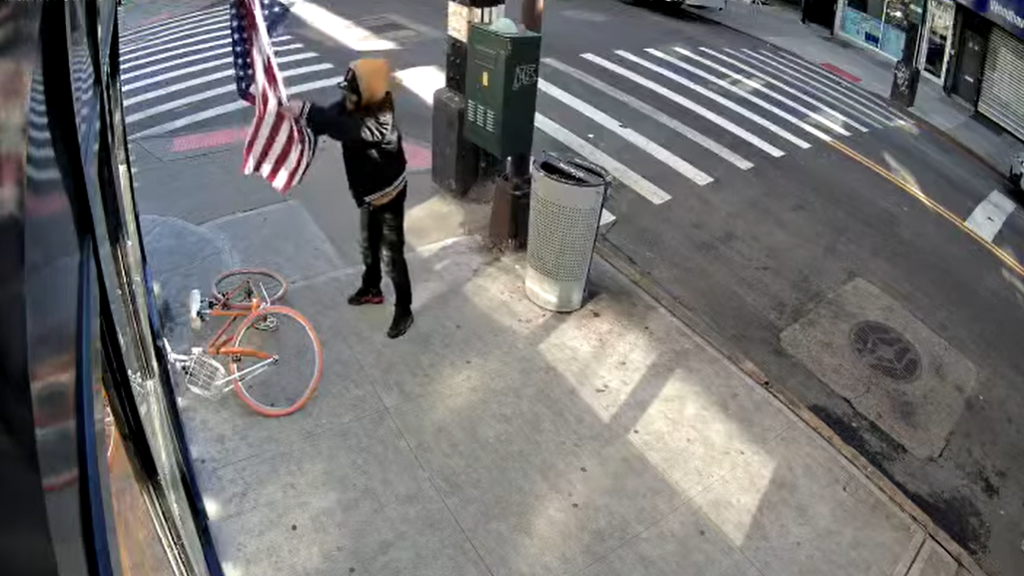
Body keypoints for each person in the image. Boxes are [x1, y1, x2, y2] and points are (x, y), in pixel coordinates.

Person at [285, 59, 413, 339]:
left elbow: (349, 130)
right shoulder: (356, 102)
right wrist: (298, 115)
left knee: (393, 255)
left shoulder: (380, 117)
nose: (347, 96)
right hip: (368, 193)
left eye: (352, 90)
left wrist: (308, 112)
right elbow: (332, 117)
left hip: (388, 192)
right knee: (369, 244)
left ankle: (404, 310)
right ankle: (372, 288)